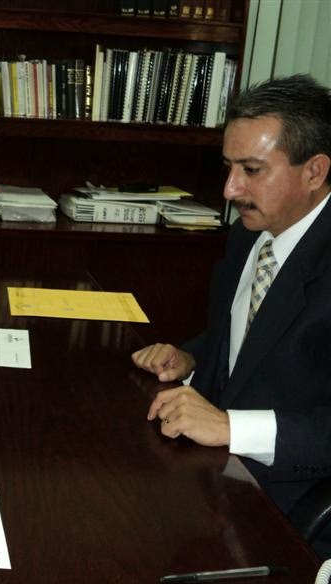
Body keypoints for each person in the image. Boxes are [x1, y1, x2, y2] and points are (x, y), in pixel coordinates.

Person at [131, 74, 330, 555]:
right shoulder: (250, 233)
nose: (228, 188)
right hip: (212, 477)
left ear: (314, 171)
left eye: (251, 169)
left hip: (288, 502)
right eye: (228, 166)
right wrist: (191, 357)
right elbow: (252, 340)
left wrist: (230, 426)